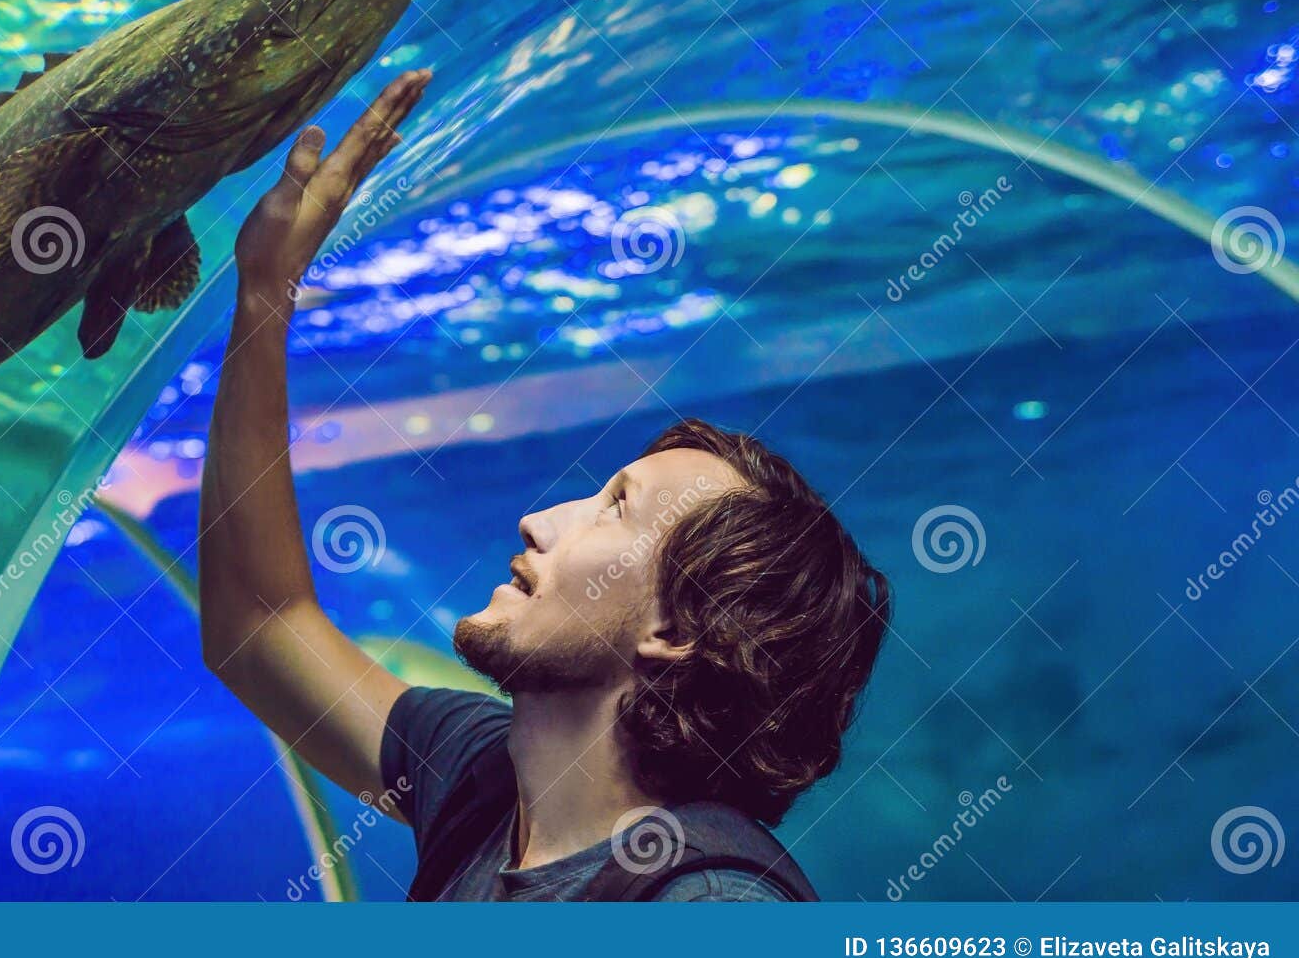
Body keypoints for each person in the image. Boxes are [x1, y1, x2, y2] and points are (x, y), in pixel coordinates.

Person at [199, 70, 892, 901]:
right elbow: (259, 627)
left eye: (615, 508)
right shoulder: (486, 783)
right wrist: (265, 292)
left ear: (677, 630)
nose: (539, 521)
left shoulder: (708, 910)